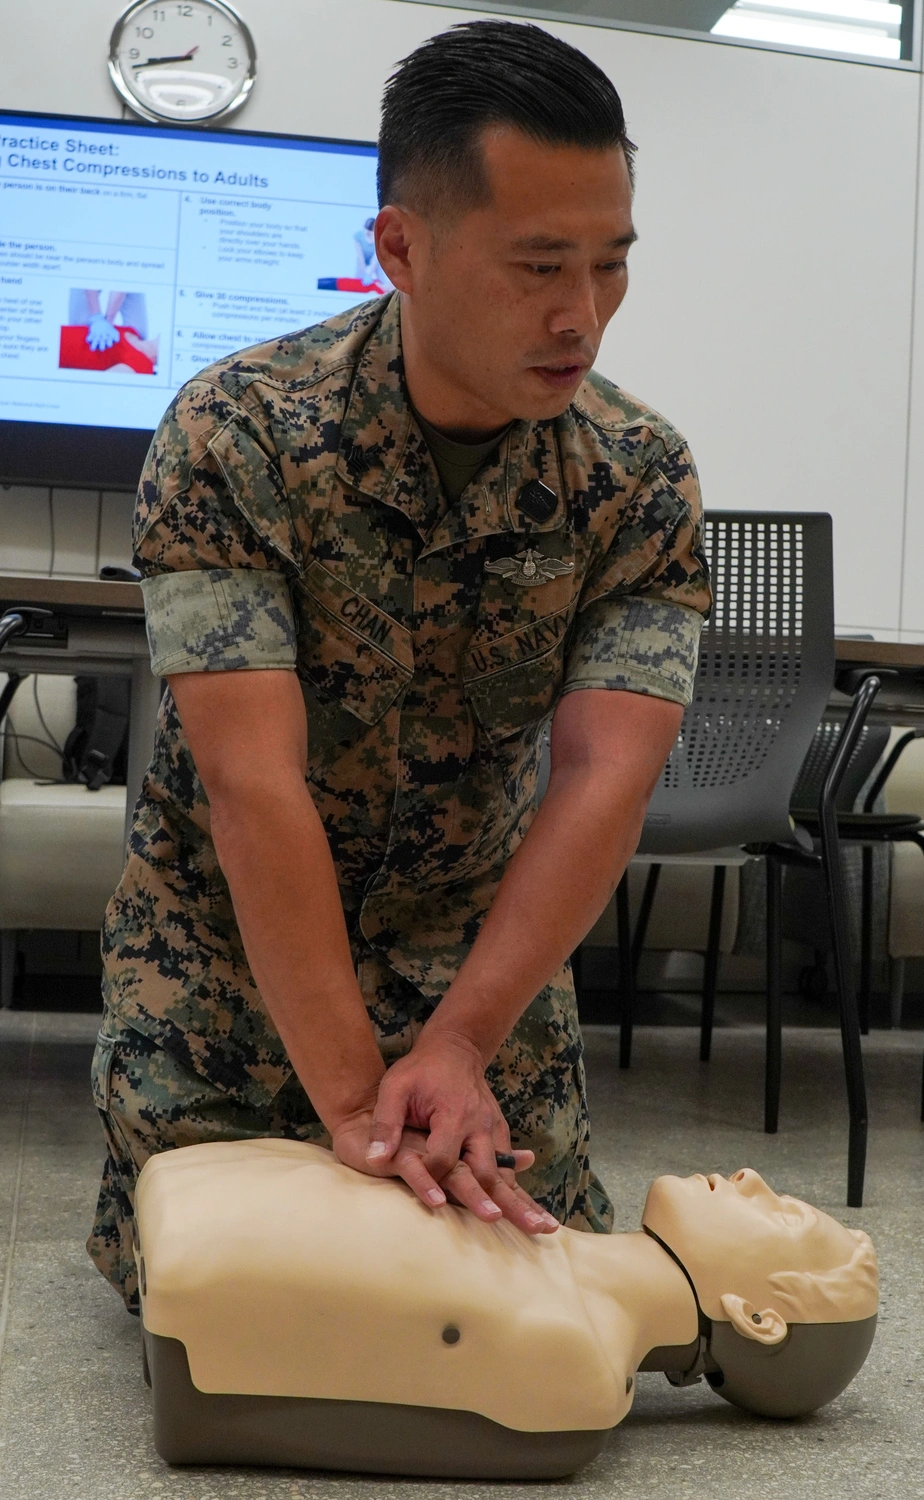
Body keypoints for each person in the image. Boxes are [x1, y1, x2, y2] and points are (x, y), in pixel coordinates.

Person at [89, 19, 713, 1313]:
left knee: (532, 1291)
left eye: (611, 265)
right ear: (400, 249)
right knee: (233, 1298)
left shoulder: (637, 477)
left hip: (473, 956)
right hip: (224, 946)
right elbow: (254, 782)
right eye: (541, 265)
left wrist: (465, 1042)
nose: (580, 314)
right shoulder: (236, 434)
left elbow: (604, 778)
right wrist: (359, 1109)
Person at [136, 1144, 879, 1477]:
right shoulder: (552, 1258)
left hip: (198, 1252)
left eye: (782, 1215)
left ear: (757, 1318)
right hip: (194, 1210)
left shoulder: (575, 1364)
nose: (752, 1178)